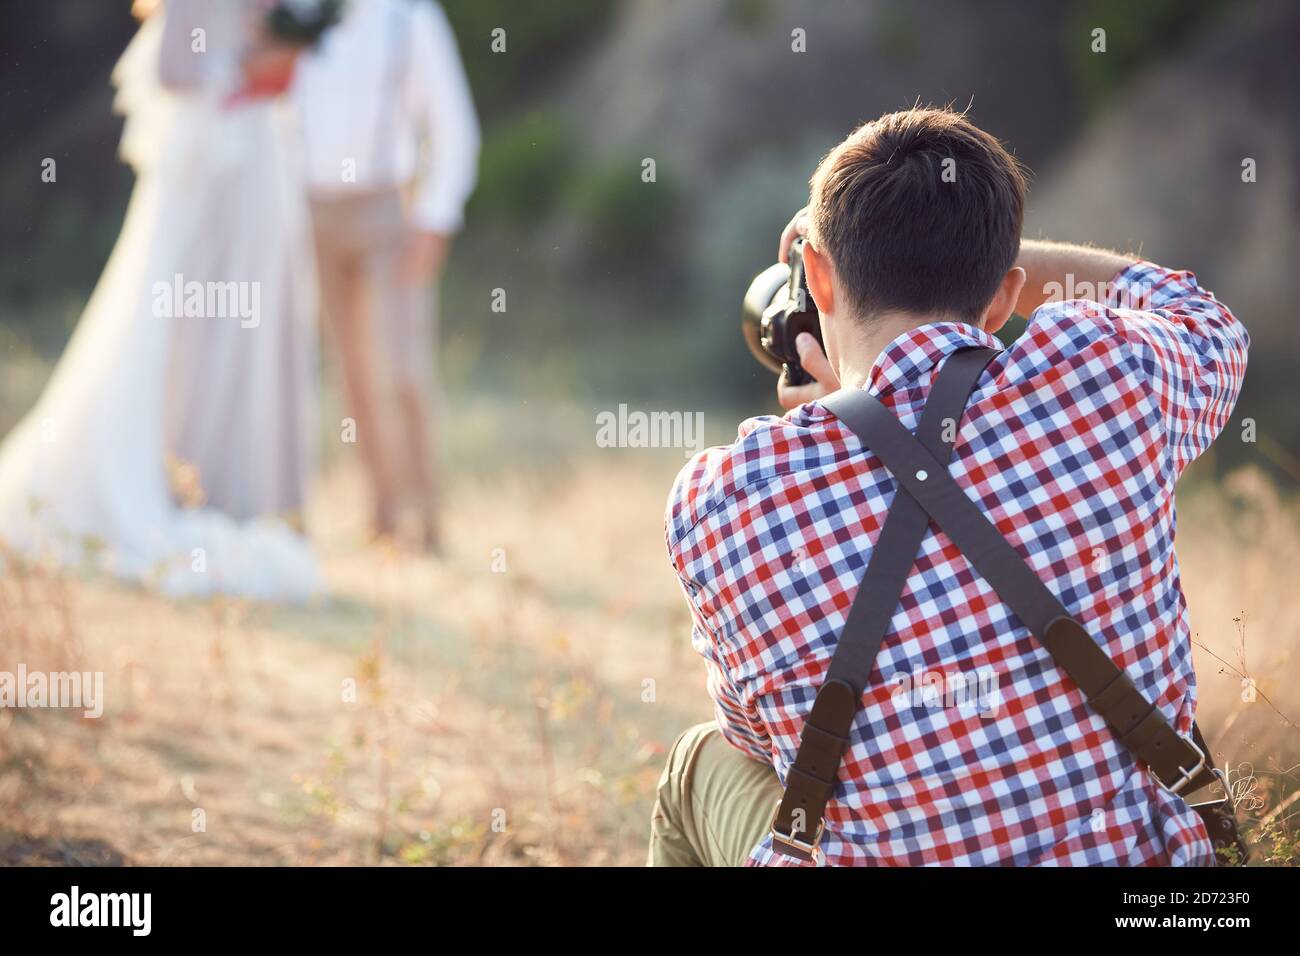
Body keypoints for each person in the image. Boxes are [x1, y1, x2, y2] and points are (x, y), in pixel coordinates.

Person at [649, 107, 1249, 866]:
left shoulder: (722, 499)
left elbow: (760, 739)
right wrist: (978, 254)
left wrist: (863, 426)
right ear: (1003, 297)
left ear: (820, 278)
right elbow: (1200, 315)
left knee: (698, 763)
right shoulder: (1109, 376)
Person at [0, 0, 321, 600]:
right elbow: (173, 71)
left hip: (254, 161)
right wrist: (247, 73)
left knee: (249, 327)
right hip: (207, 167)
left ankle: (241, 492)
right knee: (181, 324)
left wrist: (284, 56)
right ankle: (176, 477)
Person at [293, 0, 480, 551]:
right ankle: (380, 513)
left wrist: (435, 219)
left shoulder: (409, 18)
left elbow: (454, 125)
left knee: (399, 368)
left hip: (387, 212)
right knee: (346, 371)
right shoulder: (294, 13)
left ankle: (423, 518)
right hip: (309, 211)